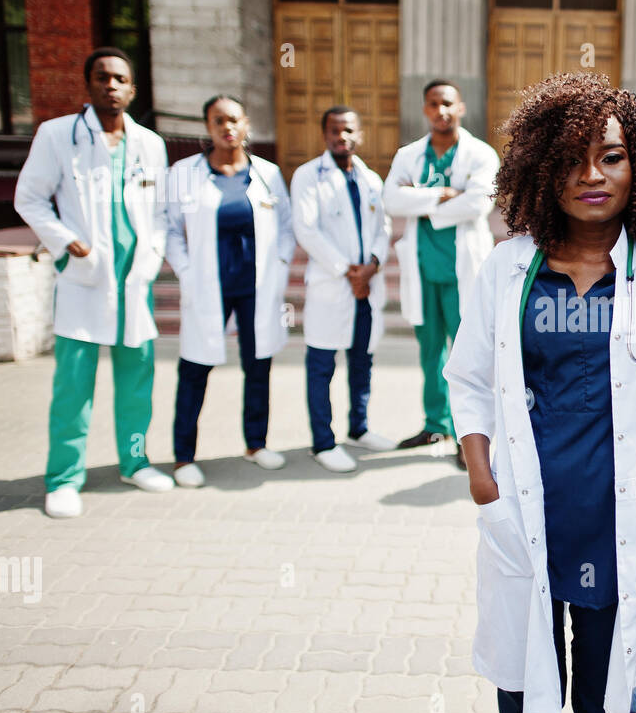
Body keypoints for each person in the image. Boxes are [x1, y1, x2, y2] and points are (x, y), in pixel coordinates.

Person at [444, 73, 636, 713]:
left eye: (611, 156)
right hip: (525, 510)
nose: (591, 175)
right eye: (570, 159)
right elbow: (469, 379)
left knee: (606, 709)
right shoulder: (510, 268)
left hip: (618, 518)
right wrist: (485, 485)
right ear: (543, 170)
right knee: (526, 709)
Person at [14, 47, 174, 517]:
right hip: (85, 281)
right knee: (73, 387)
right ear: (88, 84)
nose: (111, 85)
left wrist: (152, 255)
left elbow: (161, 211)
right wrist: (67, 243)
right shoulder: (58, 135)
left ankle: (135, 461)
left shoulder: (150, 143)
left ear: (132, 89)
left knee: (137, 383)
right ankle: (65, 478)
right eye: (102, 77)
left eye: (120, 79)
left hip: (134, 283)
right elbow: (30, 197)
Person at [164, 95, 295, 487]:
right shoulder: (184, 172)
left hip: (255, 287)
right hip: (208, 287)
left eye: (233, 119)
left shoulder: (268, 173)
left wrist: (282, 266)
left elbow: (286, 227)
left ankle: (256, 443)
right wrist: (186, 272)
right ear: (208, 126)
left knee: (258, 365)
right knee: (195, 368)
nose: (227, 127)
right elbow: (170, 229)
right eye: (218, 120)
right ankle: (184, 457)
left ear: (246, 123)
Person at [383, 80, 500, 470]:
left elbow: (479, 205)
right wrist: (444, 195)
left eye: (447, 103)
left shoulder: (481, 154)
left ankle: (469, 438)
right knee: (430, 350)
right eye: (433, 104)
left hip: (462, 268)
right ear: (425, 109)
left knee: (467, 357)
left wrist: (420, 201)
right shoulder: (409, 155)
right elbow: (390, 199)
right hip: (422, 266)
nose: (441, 111)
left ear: (460, 108)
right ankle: (436, 425)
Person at [291, 106, 395, 472]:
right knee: (321, 366)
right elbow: (306, 229)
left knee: (362, 359)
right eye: (334, 130)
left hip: (366, 285)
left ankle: (359, 427)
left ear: (359, 134)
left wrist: (373, 265)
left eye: (348, 130)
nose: (341, 136)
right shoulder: (308, 176)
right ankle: (323, 442)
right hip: (332, 285)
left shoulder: (371, 179)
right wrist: (347, 271)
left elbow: (383, 227)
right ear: (325, 135)